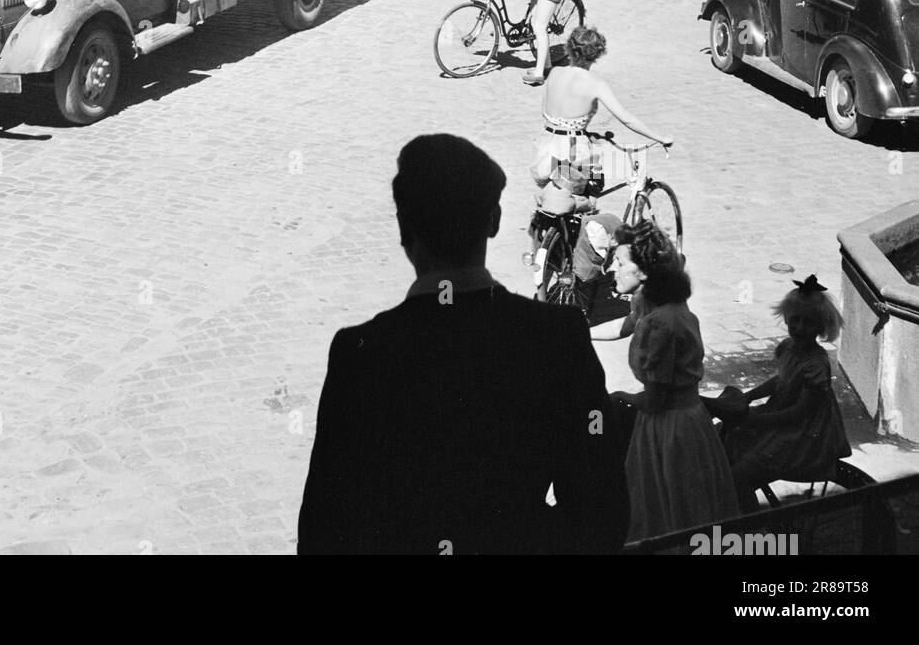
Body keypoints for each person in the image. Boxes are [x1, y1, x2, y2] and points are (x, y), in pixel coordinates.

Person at [297, 135, 629, 555]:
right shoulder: (556, 337)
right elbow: (601, 512)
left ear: (403, 230)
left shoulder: (360, 352)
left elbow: (322, 530)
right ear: (493, 221)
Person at [609, 221, 739, 542]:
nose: (613, 267)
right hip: (691, 423)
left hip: (666, 431)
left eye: (621, 262)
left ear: (644, 273)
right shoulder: (677, 310)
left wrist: (621, 395)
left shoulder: (659, 325)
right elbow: (626, 326)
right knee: (694, 511)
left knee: (664, 515)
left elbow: (654, 401)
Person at [717, 275, 851, 512]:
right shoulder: (789, 348)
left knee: (738, 478)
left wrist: (756, 419)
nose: (799, 327)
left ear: (820, 327)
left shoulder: (816, 366)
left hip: (800, 433)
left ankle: (751, 530)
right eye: (795, 320)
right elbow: (781, 380)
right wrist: (749, 396)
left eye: (808, 323)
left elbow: (799, 414)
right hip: (780, 415)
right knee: (723, 436)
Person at [530, 26, 673, 218]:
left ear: (570, 48)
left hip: (545, 149)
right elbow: (627, 120)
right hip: (572, 152)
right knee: (594, 189)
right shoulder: (596, 83)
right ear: (597, 54)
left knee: (556, 201)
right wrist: (660, 138)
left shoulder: (554, 73)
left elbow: (546, 112)